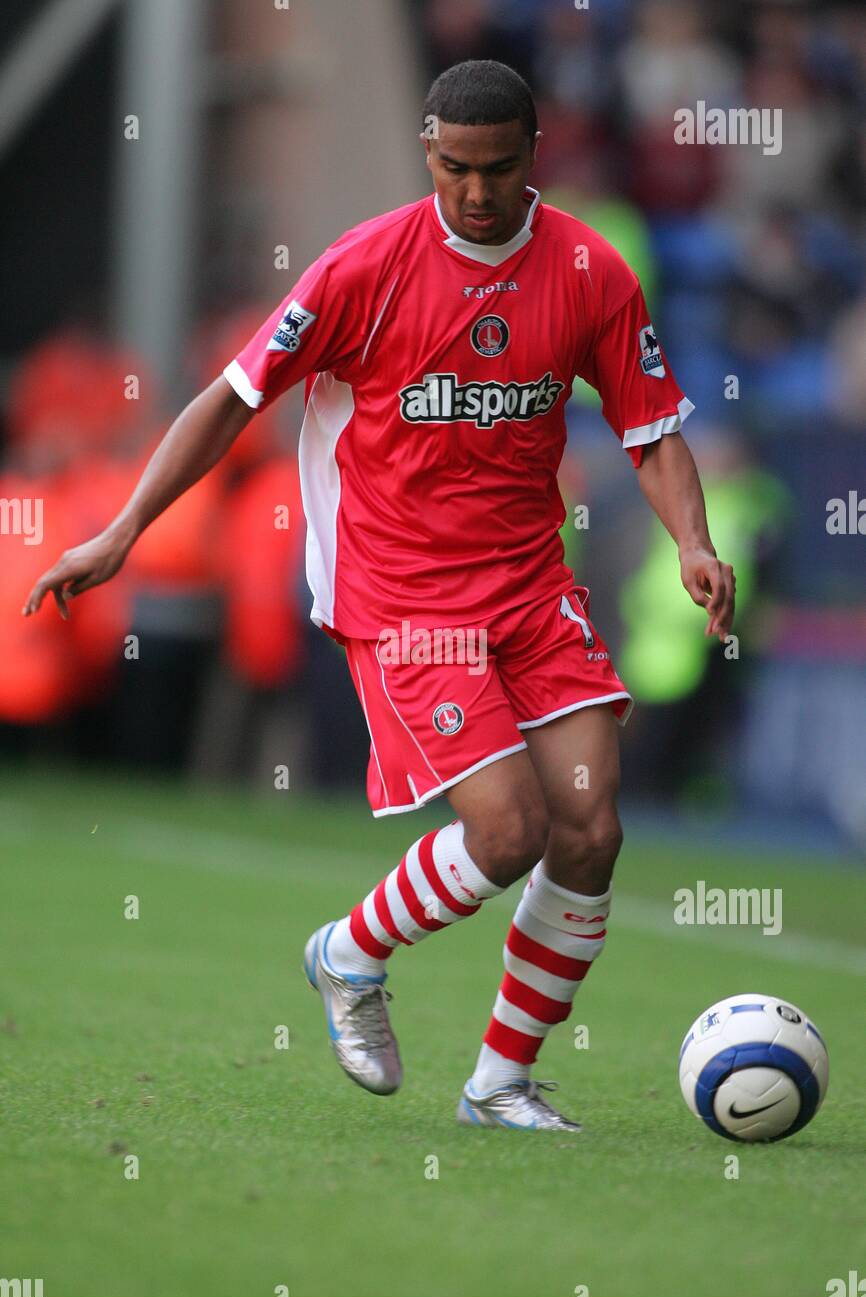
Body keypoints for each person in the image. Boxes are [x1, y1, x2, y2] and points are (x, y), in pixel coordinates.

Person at [24, 61, 735, 1132]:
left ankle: (499, 1084)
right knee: (507, 833)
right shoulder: (363, 267)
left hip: (532, 587)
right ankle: (348, 954)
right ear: (426, 149)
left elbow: (648, 426)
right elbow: (229, 401)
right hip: (405, 592)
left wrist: (693, 540)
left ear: (532, 153)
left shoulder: (589, 270)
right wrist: (125, 527)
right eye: (453, 167)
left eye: (497, 170)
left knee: (588, 829)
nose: (476, 193)